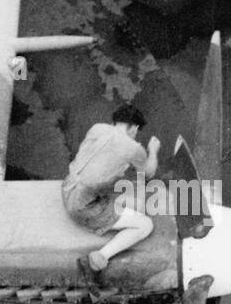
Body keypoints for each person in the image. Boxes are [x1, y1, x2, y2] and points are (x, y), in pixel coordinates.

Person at [62, 102, 161, 282]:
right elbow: (149, 173)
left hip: (69, 187)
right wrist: (152, 151)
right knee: (145, 224)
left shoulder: (97, 128)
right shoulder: (134, 148)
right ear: (134, 127)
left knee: (125, 192)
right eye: (136, 130)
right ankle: (96, 259)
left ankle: (116, 212)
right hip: (84, 208)